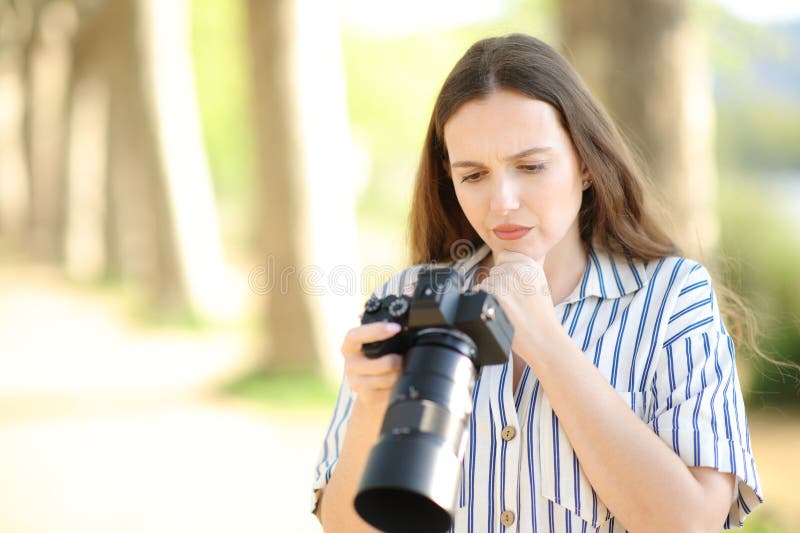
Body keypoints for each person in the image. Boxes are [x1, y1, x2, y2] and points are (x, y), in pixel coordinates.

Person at [311, 33, 763, 532]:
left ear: (586, 164)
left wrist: (546, 341)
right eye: (474, 175)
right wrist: (374, 407)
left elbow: (692, 524)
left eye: (530, 166)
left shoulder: (671, 297)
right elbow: (345, 526)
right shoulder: (407, 299)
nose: (502, 201)